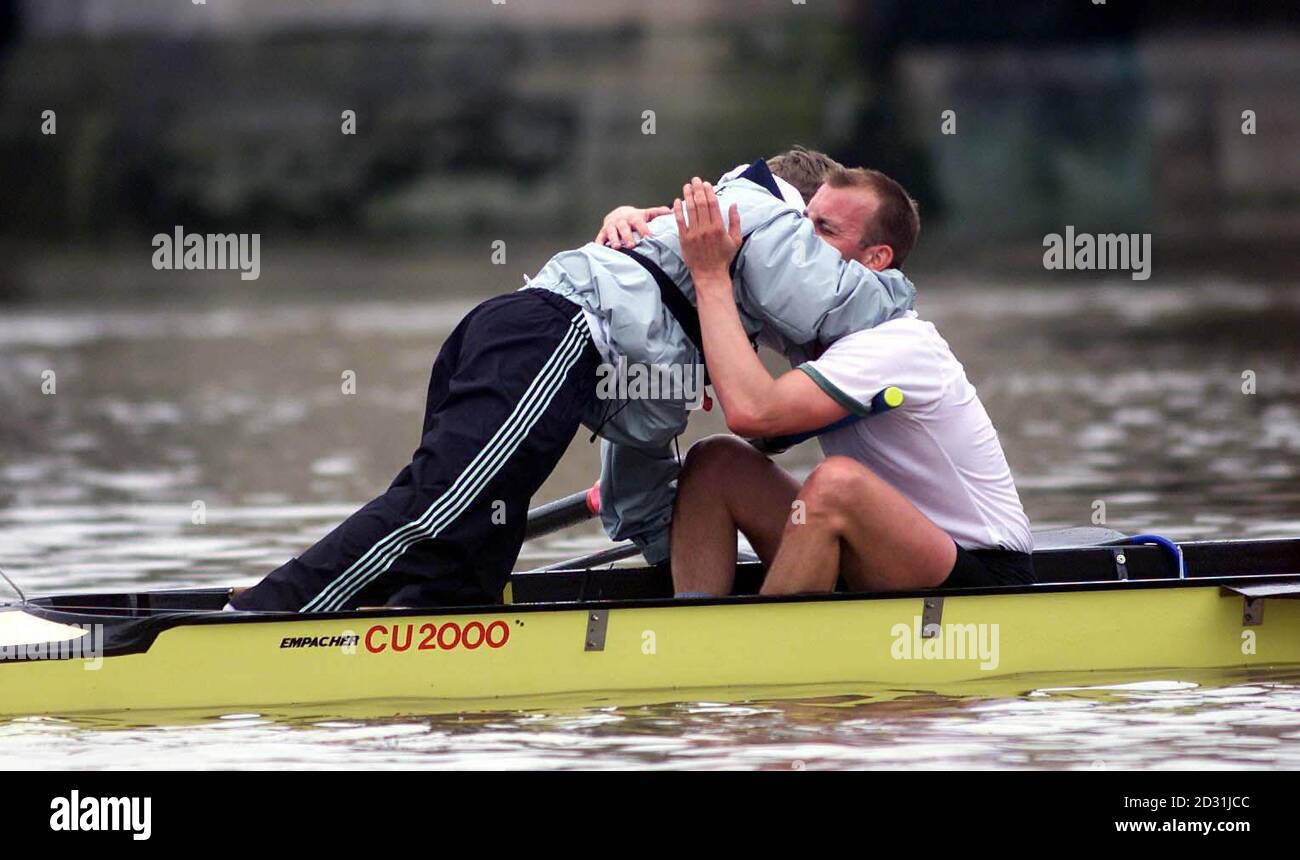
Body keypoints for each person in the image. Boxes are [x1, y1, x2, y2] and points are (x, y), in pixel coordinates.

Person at [229, 149, 917, 612]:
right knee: (435, 512)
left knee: (467, 554)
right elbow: (827, 299)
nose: (814, 244)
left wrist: (697, 573)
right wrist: (898, 295)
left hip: (524, 337)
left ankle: (413, 672)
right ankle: (256, 621)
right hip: (551, 335)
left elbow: (642, 467)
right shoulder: (760, 213)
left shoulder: (684, 326)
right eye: (815, 228)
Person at [669, 171, 1033, 596]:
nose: (800, 240)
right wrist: (628, 224)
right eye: (803, 222)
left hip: (980, 570)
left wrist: (710, 276)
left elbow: (753, 412)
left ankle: (760, 651)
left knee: (836, 483)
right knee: (715, 462)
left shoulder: (896, 342)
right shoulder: (814, 326)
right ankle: (692, 634)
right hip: (870, 547)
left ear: (875, 259)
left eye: (824, 230)